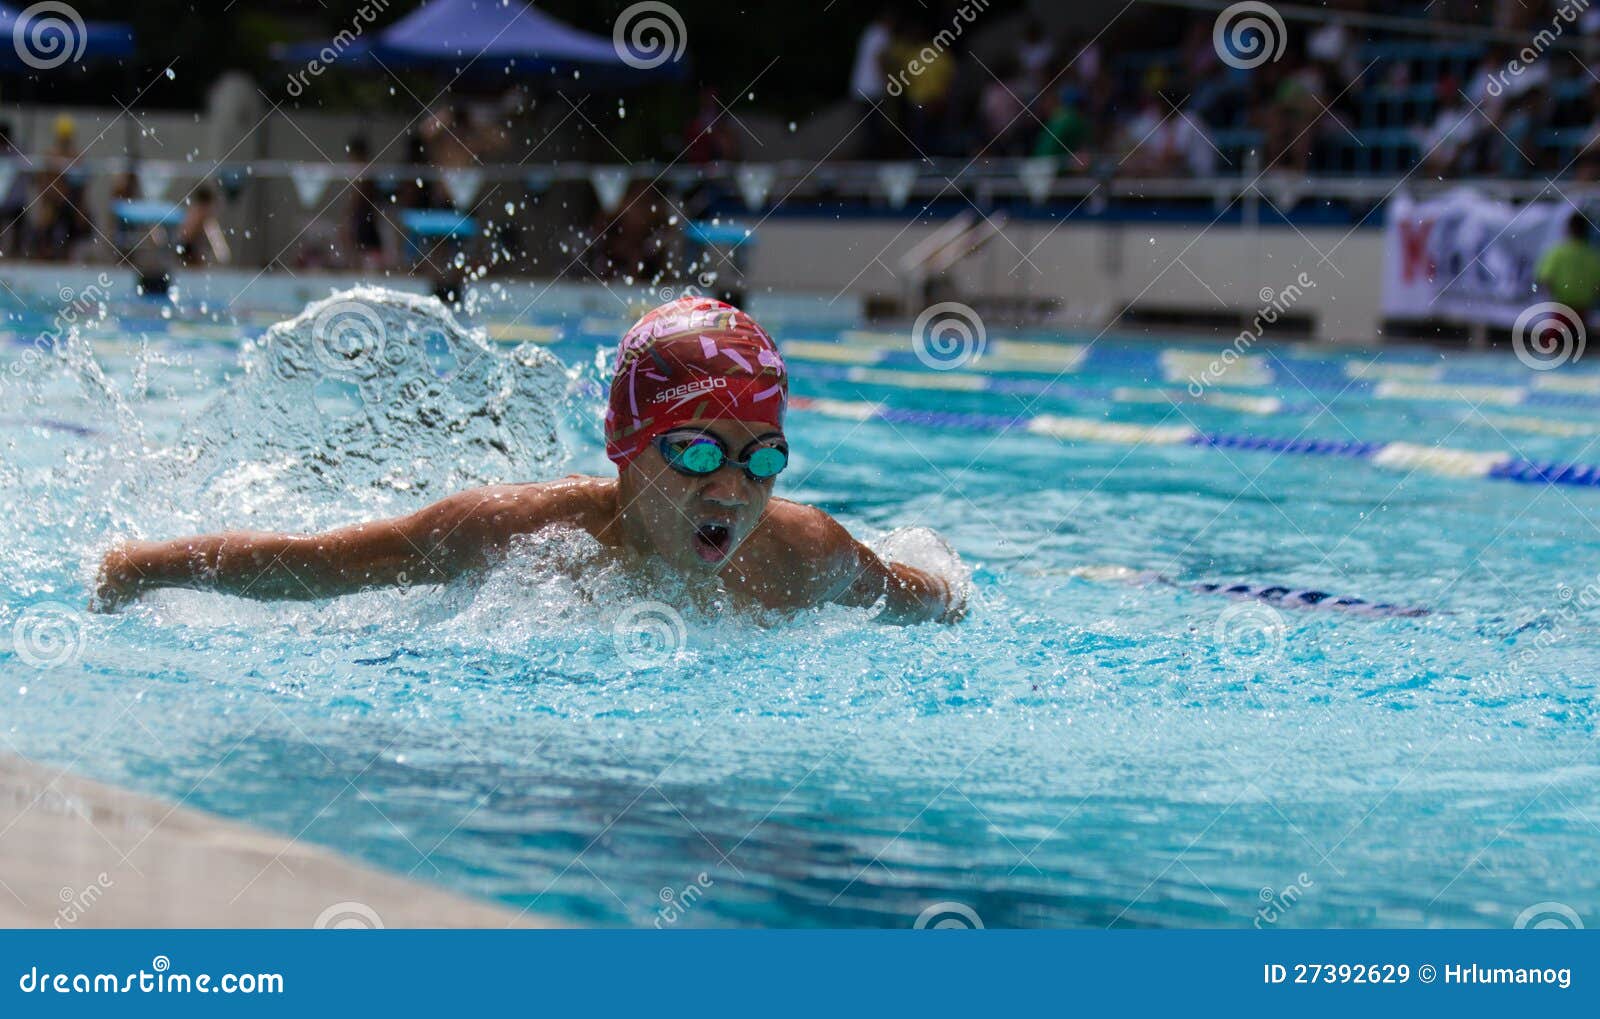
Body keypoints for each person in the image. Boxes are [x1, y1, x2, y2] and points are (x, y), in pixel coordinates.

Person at [93, 297, 965, 625]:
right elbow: (320, 566)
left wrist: (955, 593)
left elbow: (923, 597)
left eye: (761, 455)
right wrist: (145, 567)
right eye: (696, 448)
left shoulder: (803, 554)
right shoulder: (518, 536)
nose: (733, 488)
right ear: (625, 448)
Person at [1534, 212, 1600, 336]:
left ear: (1568, 229)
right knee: (1579, 350)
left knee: (1555, 349)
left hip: (1561, 309)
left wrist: (1552, 298)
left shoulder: (1557, 252)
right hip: (1582, 311)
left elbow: (1545, 279)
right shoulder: (1593, 256)